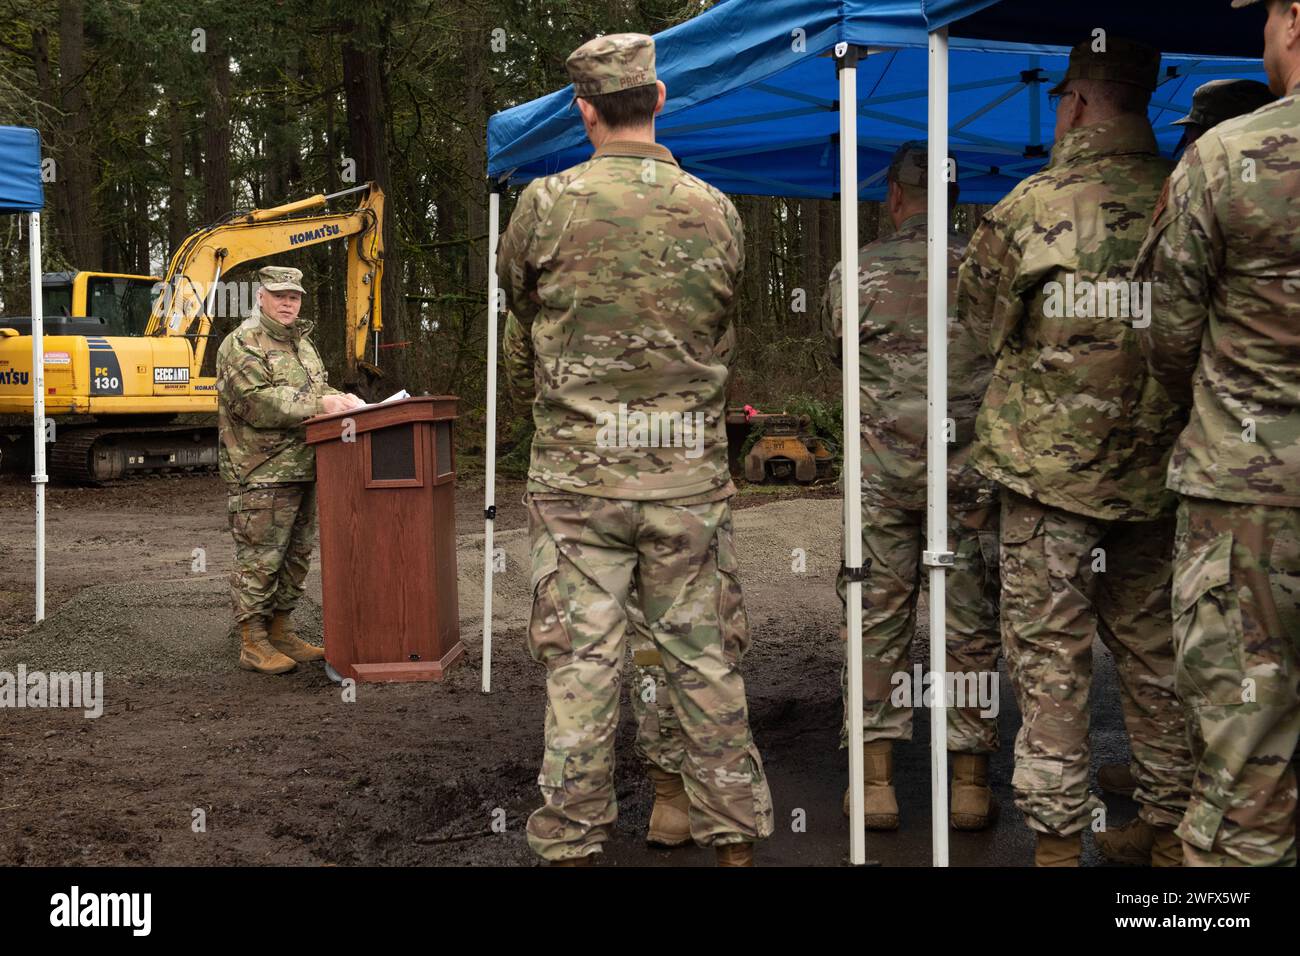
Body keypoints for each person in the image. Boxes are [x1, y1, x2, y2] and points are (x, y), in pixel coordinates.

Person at [498, 32, 773, 866]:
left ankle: (575, 845)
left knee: (582, 669)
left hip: (579, 479)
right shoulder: (717, 209)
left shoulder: (544, 203)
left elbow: (523, 319)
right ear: (658, 101)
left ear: (584, 110)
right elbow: (720, 329)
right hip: (686, 477)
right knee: (704, 661)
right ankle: (731, 843)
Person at [957, 37, 1194, 866]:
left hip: (1048, 479)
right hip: (1160, 479)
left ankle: (1058, 846)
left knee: (1051, 661)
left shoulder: (1029, 206)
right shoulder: (1188, 197)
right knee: (1157, 652)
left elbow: (981, 327)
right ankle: (1169, 837)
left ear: (1080, 102)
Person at [1132, 0, 1300, 866]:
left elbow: (1166, 338)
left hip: (1248, 502)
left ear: (1295, 20)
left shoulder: (1226, 157)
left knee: (1244, 768)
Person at [1097, 73, 1275, 803]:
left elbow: (1168, 335)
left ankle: (1190, 823)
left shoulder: (1209, 179)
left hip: (1232, 475)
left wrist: (1200, 406)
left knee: (1224, 672)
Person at [821, 142, 1001, 832]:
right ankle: (970, 785)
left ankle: (876, 786)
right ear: (955, 198)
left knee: (875, 623)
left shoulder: (856, 271)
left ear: (896, 196)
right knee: (969, 628)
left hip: (882, 480)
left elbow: (843, 351)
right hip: (967, 479)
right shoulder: (986, 272)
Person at [216, 265, 363, 674]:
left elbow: (317, 391)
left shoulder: (304, 345)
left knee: (295, 556)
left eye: (294, 297)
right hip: (261, 471)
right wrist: (321, 406)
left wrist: (342, 398)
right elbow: (255, 402)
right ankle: (253, 641)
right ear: (260, 296)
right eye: (279, 295)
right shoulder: (242, 343)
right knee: (260, 558)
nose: (287, 303)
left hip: (307, 466)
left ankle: (280, 631)